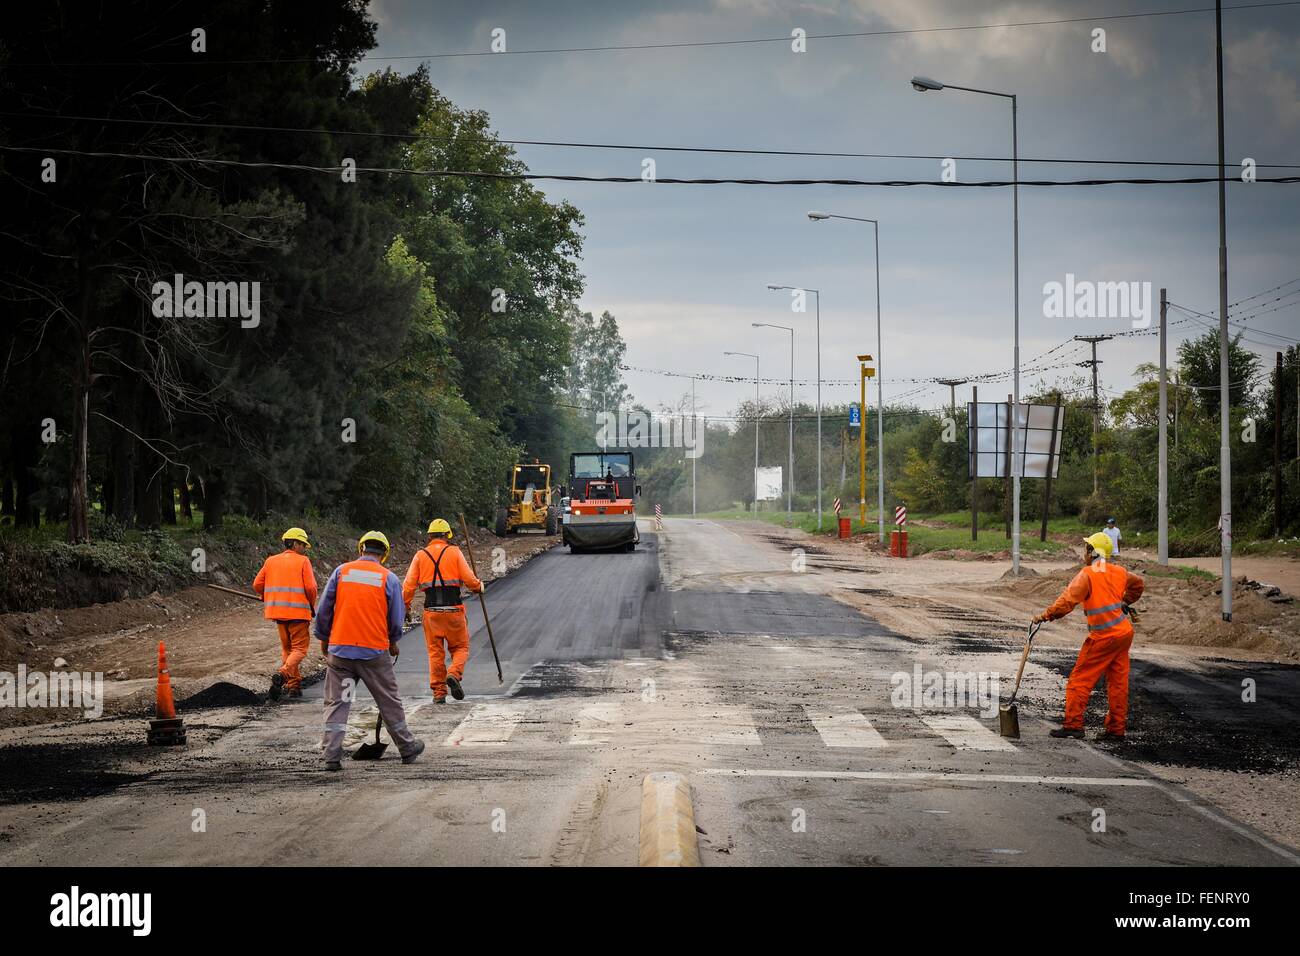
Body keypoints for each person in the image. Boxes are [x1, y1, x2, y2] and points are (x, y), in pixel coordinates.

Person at [315, 531, 424, 770]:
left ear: (361, 548)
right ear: (384, 553)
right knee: (388, 701)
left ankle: (331, 756)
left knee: (339, 702)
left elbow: (324, 610)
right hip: (373, 654)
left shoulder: (341, 572)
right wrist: (393, 641)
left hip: (341, 653)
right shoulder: (389, 578)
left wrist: (324, 638)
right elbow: (396, 619)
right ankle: (407, 748)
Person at [1032, 532, 1144, 741]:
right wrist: (1125, 602)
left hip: (1104, 637)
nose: (1084, 553)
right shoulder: (1119, 571)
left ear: (1093, 552)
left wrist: (1045, 616)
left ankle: (1073, 725)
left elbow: (1066, 602)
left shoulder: (1088, 573)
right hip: (1123, 634)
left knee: (1079, 680)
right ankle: (1116, 730)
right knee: (1118, 683)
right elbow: (1138, 585)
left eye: (1087, 549)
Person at [402, 519, 482, 705]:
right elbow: (470, 580)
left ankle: (439, 693)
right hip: (454, 609)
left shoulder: (420, 555)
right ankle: (453, 673)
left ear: (429, 536)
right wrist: (479, 587)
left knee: (435, 653)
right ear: (447, 535)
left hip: (431, 612)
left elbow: (408, 587)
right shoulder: (454, 552)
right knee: (461, 648)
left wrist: (405, 607)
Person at [251, 527, 318, 701]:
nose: (304, 547)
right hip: (298, 614)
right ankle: (283, 675)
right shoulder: (303, 561)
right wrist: (311, 605)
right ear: (294, 543)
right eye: (302, 544)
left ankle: (294, 686)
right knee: (300, 649)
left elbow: (258, 584)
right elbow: (311, 588)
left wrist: (267, 596)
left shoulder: (271, 561)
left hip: (278, 613)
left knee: (288, 649)